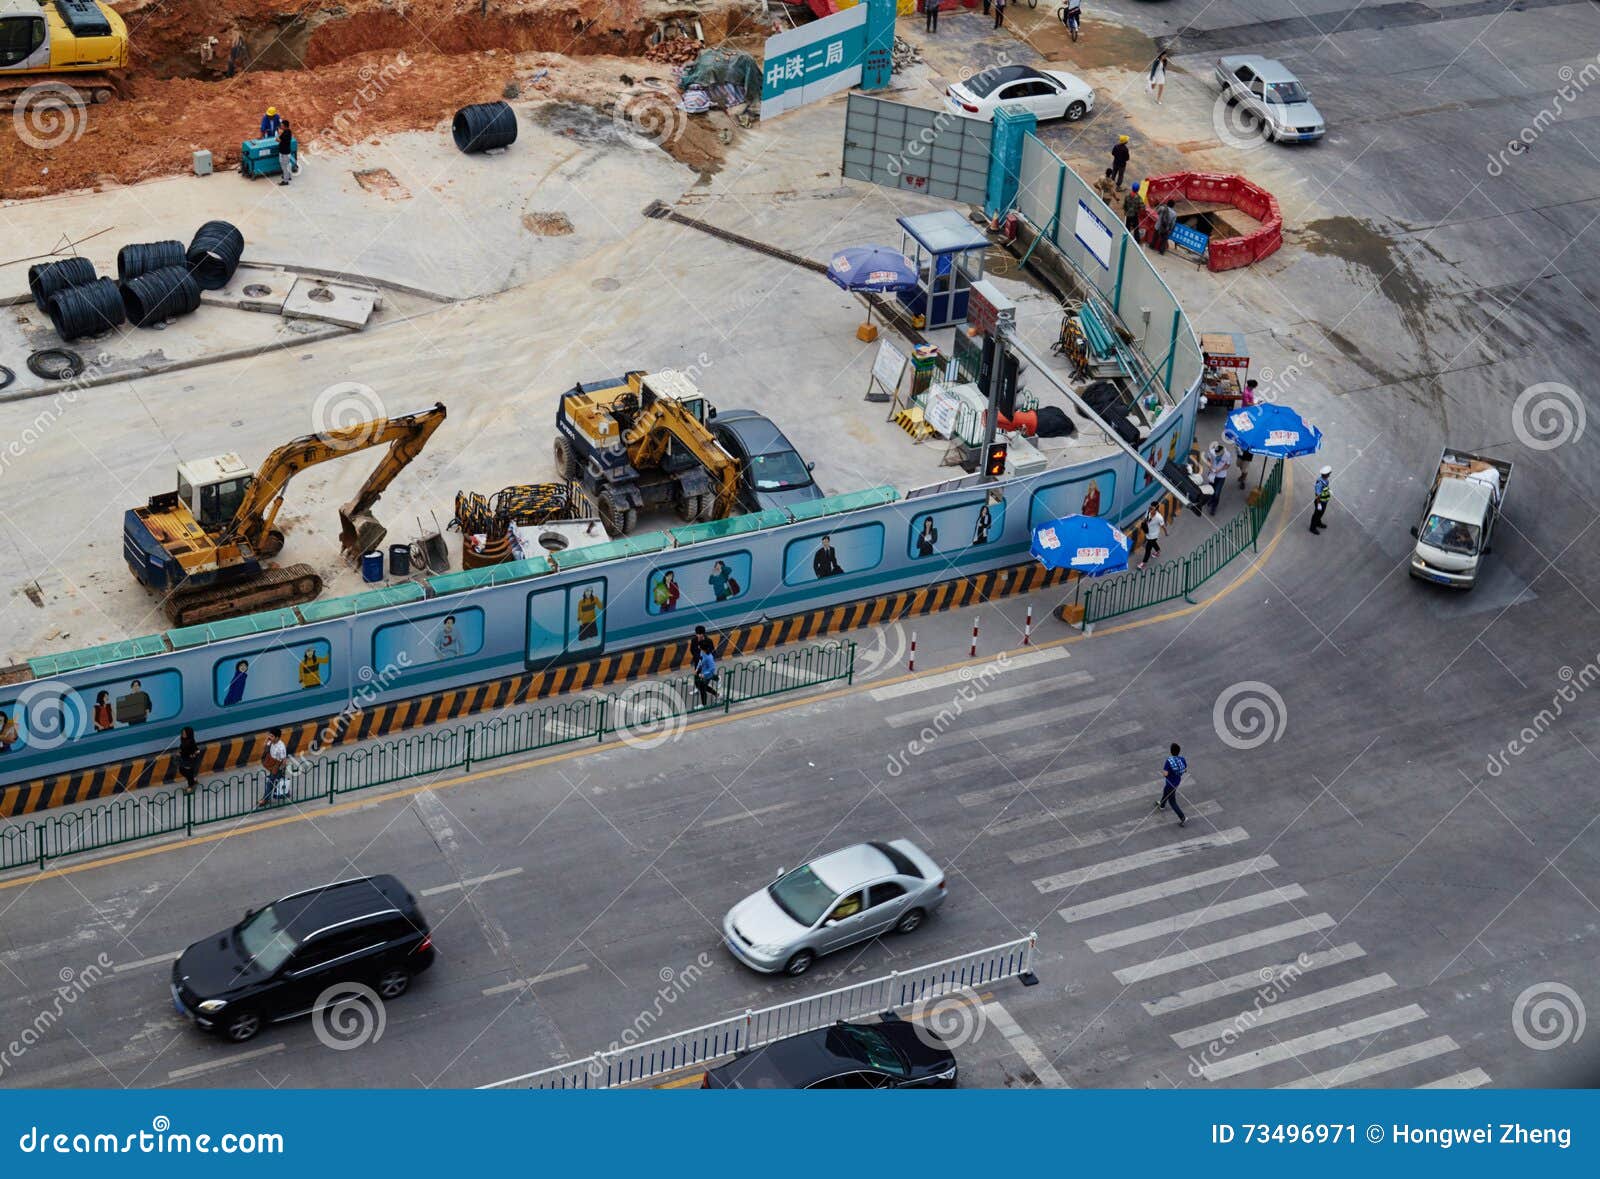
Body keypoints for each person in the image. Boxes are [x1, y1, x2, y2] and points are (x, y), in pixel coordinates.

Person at [1152, 742, 1188, 826]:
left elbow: (1165, 774)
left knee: (1172, 802)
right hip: (1177, 781)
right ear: (1179, 751)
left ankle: (1182, 817)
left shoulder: (1169, 761)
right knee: (1165, 791)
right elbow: (1185, 769)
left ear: (1171, 751)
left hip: (1170, 783)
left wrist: (1163, 772)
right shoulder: (1182, 759)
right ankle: (1162, 805)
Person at [257, 727, 288, 807]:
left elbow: (284, 761)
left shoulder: (281, 747)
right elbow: (264, 747)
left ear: (277, 737)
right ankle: (285, 792)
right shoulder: (270, 742)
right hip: (272, 764)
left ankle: (265, 800)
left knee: (270, 783)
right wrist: (267, 739)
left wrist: (279, 770)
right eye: (269, 735)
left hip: (278, 766)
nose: (270, 737)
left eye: (272, 736)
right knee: (279, 781)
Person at [1205, 442, 1231, 515]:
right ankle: (1211, 499)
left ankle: (1214, 506)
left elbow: (1228, 465)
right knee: (1211, 489)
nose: (1216, 455)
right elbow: (1208, 460)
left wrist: (1220, 469)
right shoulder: (1212, 452)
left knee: (1217, 492)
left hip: (1221, 476)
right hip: (1212, 474)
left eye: (1218, 455)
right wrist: (1210, 467)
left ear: (1222, 452)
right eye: (1216, 454)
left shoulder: (1227, 454)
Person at [1138, 502, 1165, 569]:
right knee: (1153, 543)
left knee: (1148, 549)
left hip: (1154, 535)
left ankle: (1143, 563)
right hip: (1148, 533)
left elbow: (1163, 526)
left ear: (1156, 509)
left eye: (1152, 508)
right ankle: (1158, 551)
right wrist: (1142, 526)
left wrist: (1166, 532)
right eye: (1150, 507)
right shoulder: (1148, 511)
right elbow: (1145, 519)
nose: (1150, 509)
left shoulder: (1159, 518)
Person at [176, 727, 202, 794]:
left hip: (189, 760)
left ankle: (191, 785)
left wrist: (193, 754)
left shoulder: (191, 742)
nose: (183, 734)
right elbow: (183, 748)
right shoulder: (183, 740)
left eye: (185, 733)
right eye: (182, 732)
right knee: (182, 770)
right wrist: (180, 751)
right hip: (184, 758)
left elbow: (195, 750)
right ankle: (193, 781)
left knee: (188, 772)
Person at [1310, 465, 1332, 533]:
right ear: (1325, 474)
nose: (1329, 475)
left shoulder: (1326, 480)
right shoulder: (1320, 483)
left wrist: (1328, 491)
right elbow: (1318, 494)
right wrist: (1319, 503)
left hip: (1324, 501)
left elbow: (1324, 489)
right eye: (1328, 474)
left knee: (1321, 513)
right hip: (1320, 502)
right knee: (1316, 514)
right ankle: (1312, 528)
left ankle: (1318, 523)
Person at [276, 120, 295, 186]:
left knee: (284, 166)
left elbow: (278, 140)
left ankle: (285, 181)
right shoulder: (286, 132)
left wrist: (278, 135)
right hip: (284, 152)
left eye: (282, 125)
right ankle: (288, 176)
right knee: (286, 164)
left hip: (285, 153)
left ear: (284, 126)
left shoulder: (286, 134)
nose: (281, 126)